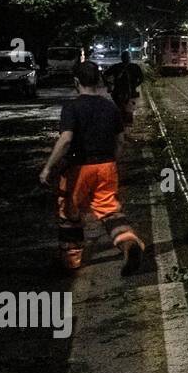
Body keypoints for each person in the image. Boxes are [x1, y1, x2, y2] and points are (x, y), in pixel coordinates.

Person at [39, 61, 145, 274]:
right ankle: (128, 243)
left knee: (69, 214)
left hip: (79, 168)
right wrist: (112, 161)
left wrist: (48, 168)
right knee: (109, 211)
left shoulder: (72, 107)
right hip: (106, 166)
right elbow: (121, 140)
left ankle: (71, 261)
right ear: (98, 81)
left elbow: (66, 139)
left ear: (76, 81)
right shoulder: (110, 106)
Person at [102, 50, 144, 126]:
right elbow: (141, 78)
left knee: (125, 110)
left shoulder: (120, 67)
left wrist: (108, 84)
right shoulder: (132, 67)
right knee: (125, 111)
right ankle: (124, 127)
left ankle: (123, 126)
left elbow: (104, 74)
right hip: (122, 92)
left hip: (124, 92)